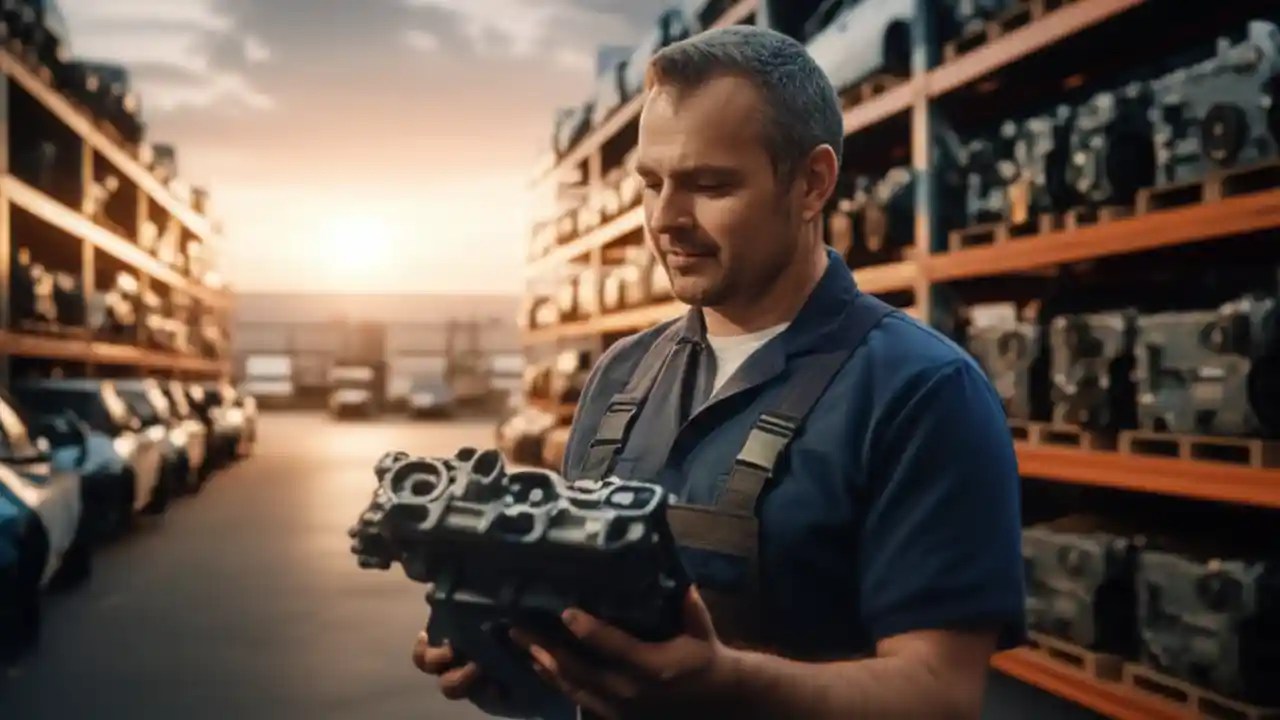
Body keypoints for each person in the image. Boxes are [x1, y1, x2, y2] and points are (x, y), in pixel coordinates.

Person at [414, 24, 1026, 719]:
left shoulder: (923, 393)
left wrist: (726, 686)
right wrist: (516, 658)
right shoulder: (621, 377)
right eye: (652, 183)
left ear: (810, 184)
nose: (666, 219)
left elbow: (939, 696)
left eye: (709, 184)